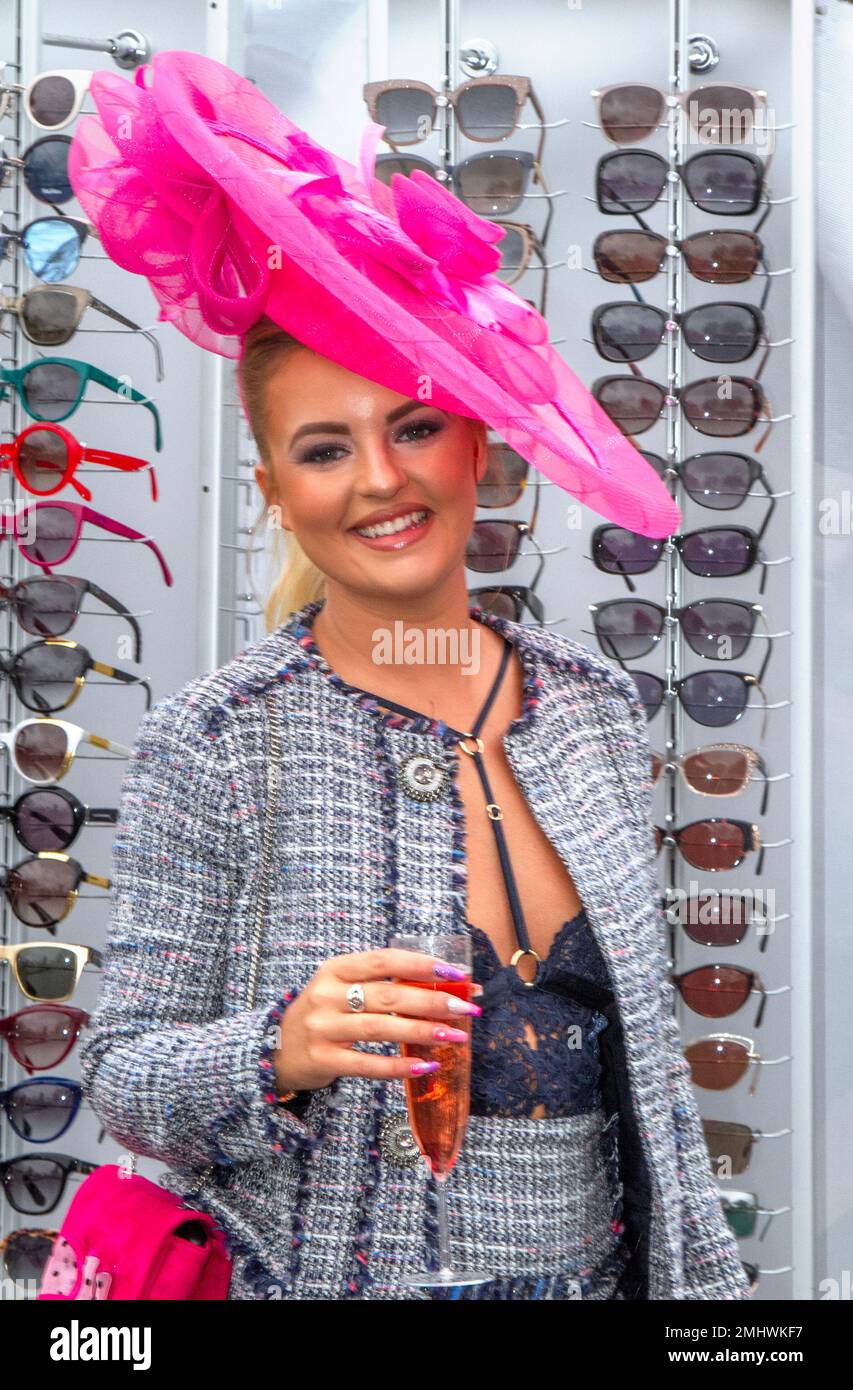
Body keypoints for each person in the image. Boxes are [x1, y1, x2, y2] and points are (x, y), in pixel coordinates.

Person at [68, 49, 751, 1301]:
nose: (380, 481)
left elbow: (649, 1100)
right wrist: (278, 1045)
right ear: (274, 493)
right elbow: (124, 1076)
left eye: (414, 425)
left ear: (477, 443)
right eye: (325, 450)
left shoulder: (594, 712)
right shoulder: (220, 740)